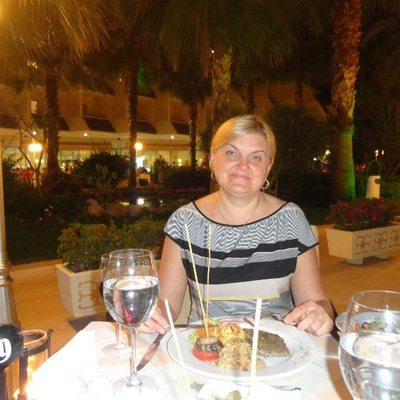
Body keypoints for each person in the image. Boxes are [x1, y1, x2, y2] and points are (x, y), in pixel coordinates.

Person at [144, 114, 334, 337]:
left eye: (256, 157)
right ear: (212, 158)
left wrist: (320, 313)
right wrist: (150, 315)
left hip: (275, 346)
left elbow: (317, 301)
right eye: (231, 153)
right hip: (207, 346)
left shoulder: (291, 220)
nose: (243, 165)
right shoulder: (184, 222)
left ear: (269, 166)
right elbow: (167, 304)